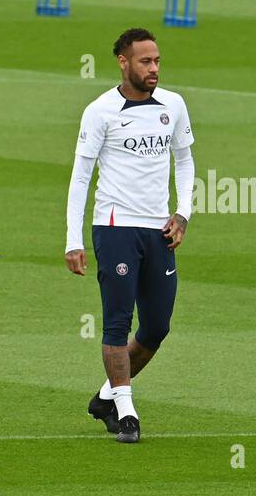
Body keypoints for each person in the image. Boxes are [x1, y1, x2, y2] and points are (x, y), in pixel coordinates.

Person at [64, 29, 195, 444]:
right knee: (117, 323)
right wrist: (74, 238)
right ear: (123, 62)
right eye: (145, 62)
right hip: (115, 227)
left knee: (157, 327)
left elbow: (185, 160)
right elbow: (80, 178)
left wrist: (183, 213)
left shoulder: (173, 106)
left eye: (156, 61)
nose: (153, 68)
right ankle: (127, 412)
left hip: (159, 230)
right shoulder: (100, 111)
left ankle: (106, 397)